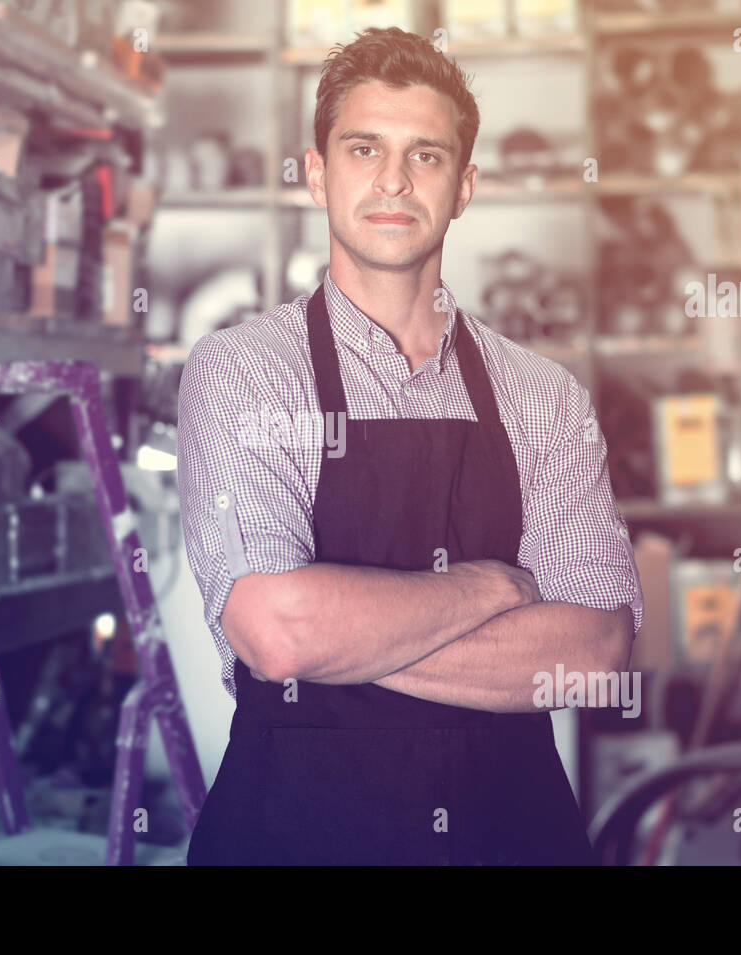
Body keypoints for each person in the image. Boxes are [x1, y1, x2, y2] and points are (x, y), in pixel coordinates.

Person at [177, 26, 643, 865]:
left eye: (426, 156)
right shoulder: (243, 373)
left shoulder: (544, 396)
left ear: (463, 187)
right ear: (317, 172)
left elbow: (594, 656)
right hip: (293, 837)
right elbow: (277, 633)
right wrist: (491, 587)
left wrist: (342, 634)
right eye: (364, 149)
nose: (393, 180)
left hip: (510, 839)